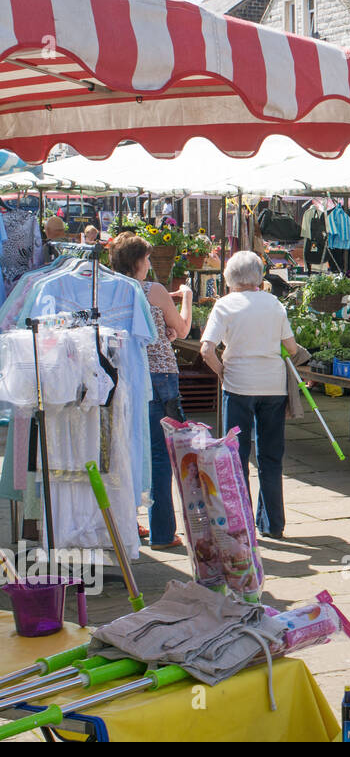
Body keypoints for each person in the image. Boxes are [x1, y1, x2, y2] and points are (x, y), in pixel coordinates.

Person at [200, 251, 299, 540]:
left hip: (239, 385)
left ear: (230, 276)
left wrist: (222, 371)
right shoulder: (274, 303)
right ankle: (273, 524)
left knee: (237, 456)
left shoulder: (224, 305)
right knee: (271, 457)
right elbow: (291, 348)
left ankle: (240, 523)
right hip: (273, 386)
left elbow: (207, 350)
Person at [110, 235, 193, 550]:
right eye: (146, 259)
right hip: (157, 375)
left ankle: (129, 524)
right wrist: (186, 297)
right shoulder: (153, 290)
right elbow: (183, 329)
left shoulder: (109, 290)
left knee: (126, 450)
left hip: (122, 376)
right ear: (137, 262)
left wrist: (163, 333)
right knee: (159, 453)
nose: (149, 265)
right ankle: (162, 532)